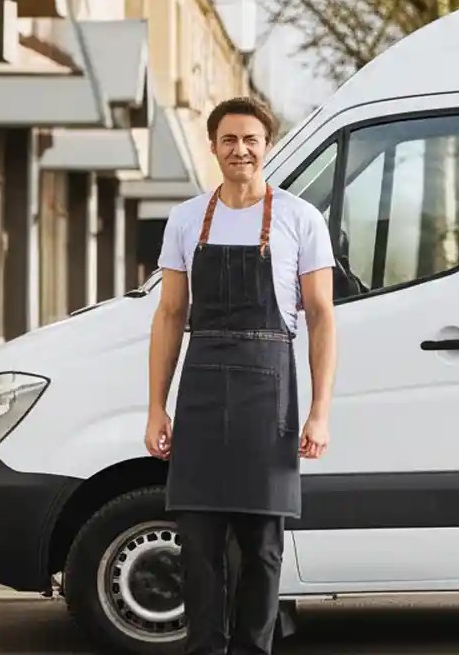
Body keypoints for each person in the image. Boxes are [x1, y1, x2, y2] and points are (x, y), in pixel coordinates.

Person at [143, 96, 337, 655]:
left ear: (266, 146)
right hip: (202, 393)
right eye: (229, 139)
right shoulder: (185, 219)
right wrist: (158, 406)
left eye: (251, 139)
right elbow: (170, 314)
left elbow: (322, 316)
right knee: (198, 548)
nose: (240, 149)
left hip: (267, 395)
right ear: (213, 147)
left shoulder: (302, 219)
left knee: (263, 550)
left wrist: (319, 411)